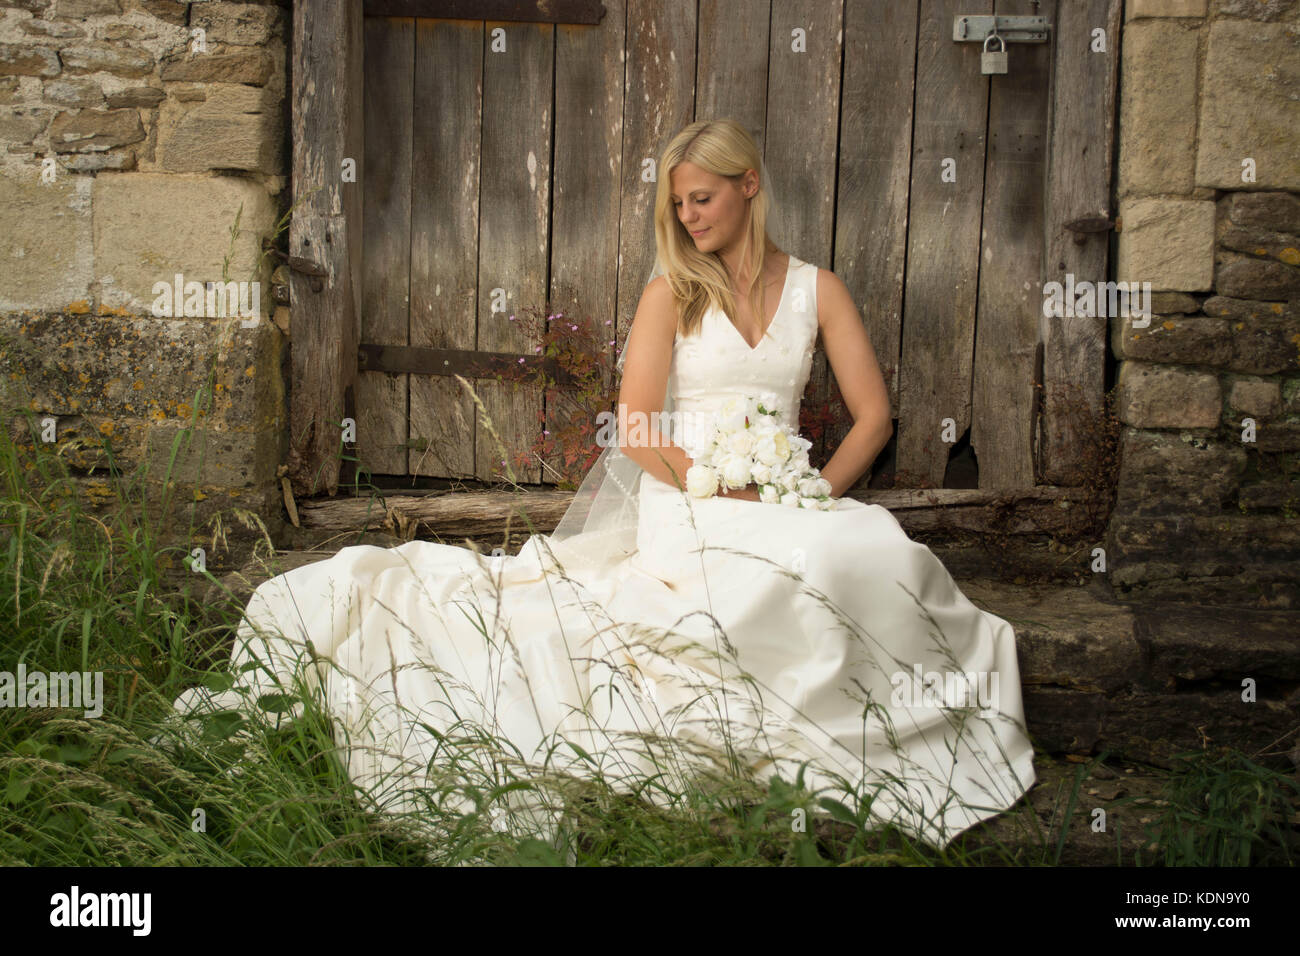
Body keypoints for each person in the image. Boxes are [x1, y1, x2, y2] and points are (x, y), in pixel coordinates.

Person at [172, 118, 1037, 853]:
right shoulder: (672, 293)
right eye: (677, 203)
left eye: (702, 197)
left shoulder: (818, 289)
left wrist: (815, 494)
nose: (688, 215)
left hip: (781, 494)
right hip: (686, 492)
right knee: (790, 572)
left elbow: (873, 418)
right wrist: (704, 484)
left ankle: (884, 717)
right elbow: (635, 427)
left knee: (871, 550)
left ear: (748, 186)